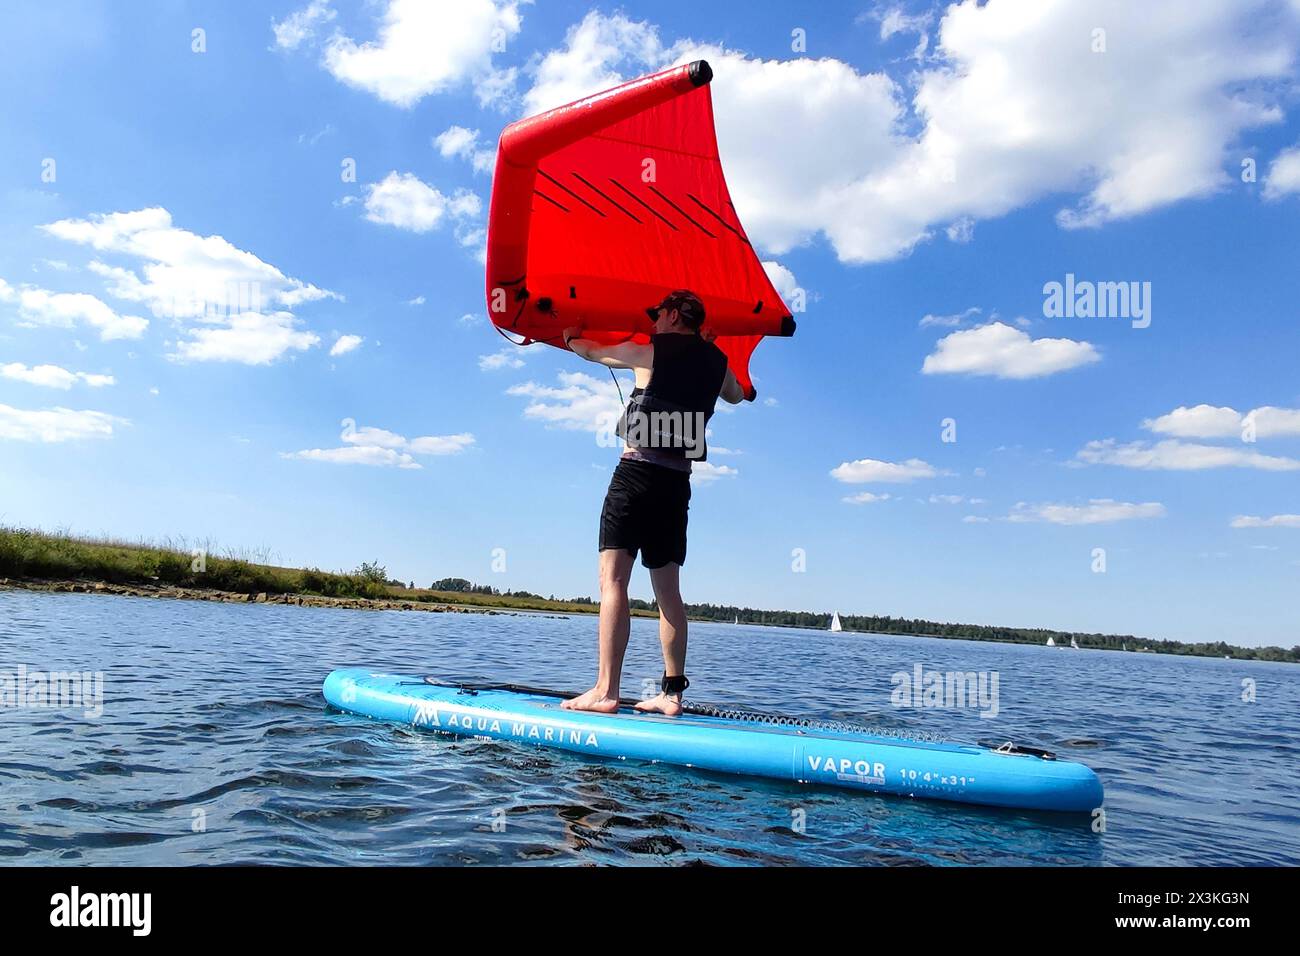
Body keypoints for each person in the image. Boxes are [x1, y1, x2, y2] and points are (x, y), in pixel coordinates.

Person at [560, 290, 746, 716]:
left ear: (675, 314)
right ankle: (672, 695)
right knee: (669, 594)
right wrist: (711, 349)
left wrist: (572, 338)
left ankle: (606, 692)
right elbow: (737, 395)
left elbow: (597, 353)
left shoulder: (650, 352)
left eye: (657, 314)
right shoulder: (717, 364)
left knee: (614, 582)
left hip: (637, 475)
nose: (652, 321)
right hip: (677, 484)